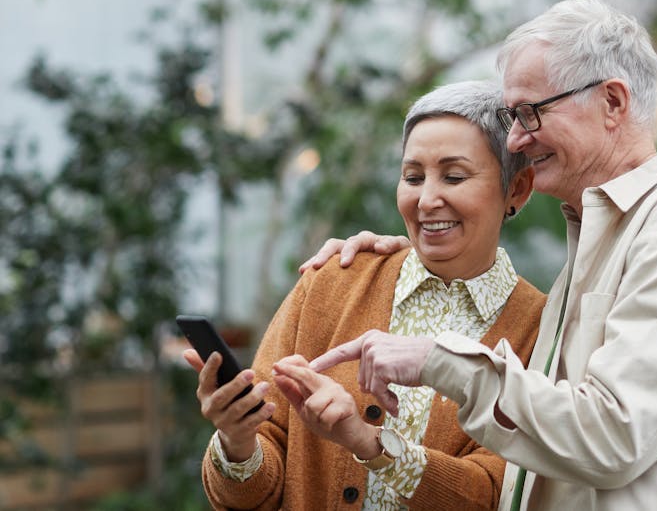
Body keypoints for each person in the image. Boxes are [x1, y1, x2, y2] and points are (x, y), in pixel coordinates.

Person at [302, 0, 657, 510]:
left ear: (613, 103)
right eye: (511, 116)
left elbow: (612, 436)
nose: (514, 140)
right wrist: (416, 256)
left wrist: (439, 361)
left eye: (529, 113)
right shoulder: (611, 231)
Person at [183, 81, 546, 510]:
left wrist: (368, 442)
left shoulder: (541, 328)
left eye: (454, 176)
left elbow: (494, 494)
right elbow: (251, 491)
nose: (427, 199)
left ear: (517, 189)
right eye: (412, 177)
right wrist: (237, 440)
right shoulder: (332, 282)